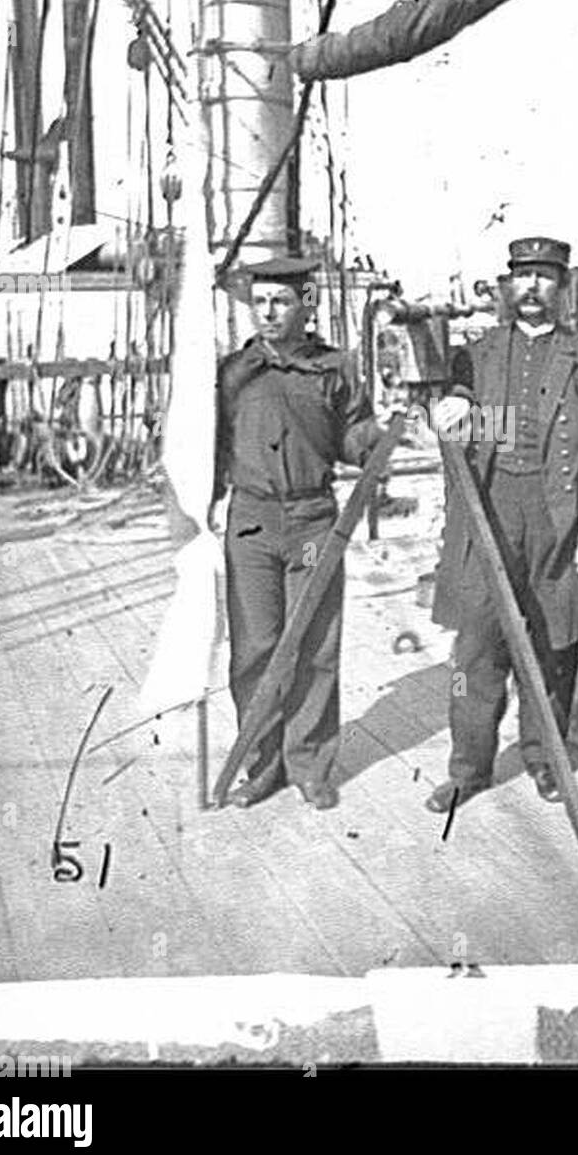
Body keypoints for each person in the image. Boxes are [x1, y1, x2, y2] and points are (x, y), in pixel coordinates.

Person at [426, 236, 578, 812]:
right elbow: (458, 410)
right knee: (476, 649)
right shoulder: (480, 352)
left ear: (563, 289)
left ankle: (543, 757)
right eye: (523, 276)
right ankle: (468, 768)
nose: (533, 288)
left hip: (558, 515)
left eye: (545, 277)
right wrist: (457, 409)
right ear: (508, 286)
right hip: (489, 514)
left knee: (553, 647)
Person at [208, 256, 383, 811]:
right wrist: (202, 502)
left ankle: (309, 764)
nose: (267, 312)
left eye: (280, 302)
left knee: (313, 643)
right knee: (255, 648)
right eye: (259, 303)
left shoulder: (336, 368)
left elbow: (351, 433)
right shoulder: (232, 373)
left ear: (305, 306)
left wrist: (372, 444)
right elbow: (209, 444)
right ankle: (262, 766)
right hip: (252, 524)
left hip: (312, 522)